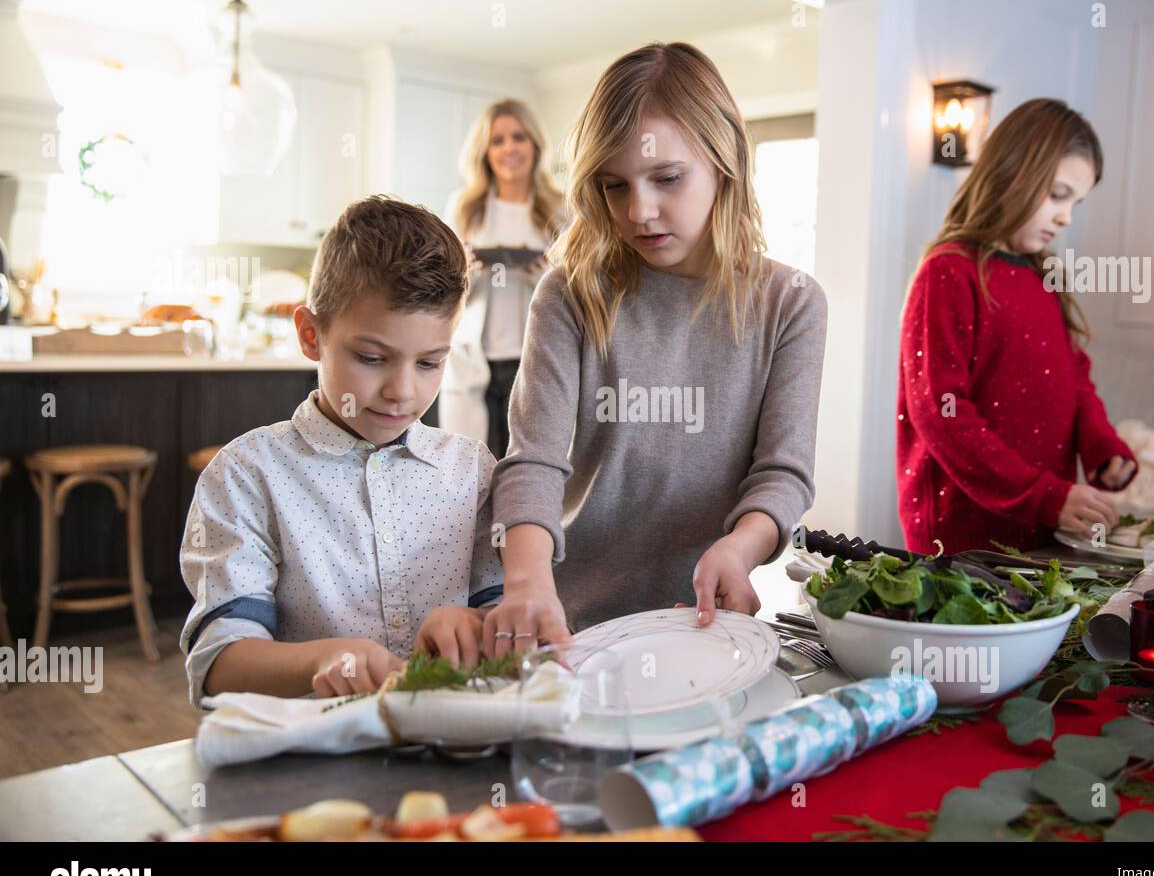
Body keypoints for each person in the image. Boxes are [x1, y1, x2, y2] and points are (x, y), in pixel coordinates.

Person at [483, 42, 829, 657]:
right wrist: (529, 581)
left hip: (706, 624)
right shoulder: (570, 293)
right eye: (615, 186)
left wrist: (741, 548)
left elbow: (782, 473)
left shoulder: (791, 302)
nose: (639, 212)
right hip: (575, 624)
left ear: (724, 160)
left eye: (667, 178)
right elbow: (533, 461)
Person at [178, 196, 503, 706]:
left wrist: (473, 623)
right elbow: (220, 664)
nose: (402, 391)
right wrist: (323, 659)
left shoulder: (473, 471)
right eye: (372, 358)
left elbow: (509, 624)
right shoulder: (247, 475)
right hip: (310, 757)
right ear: (311, 334)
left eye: (428, 363)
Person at [896, 98, 1138, 556]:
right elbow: (941, 414)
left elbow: (1075, 381)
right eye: (1058, 194)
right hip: (965, 537)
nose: (1066, 216)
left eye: (1076, 202)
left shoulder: (1042, 276)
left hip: (1043, 528)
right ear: (1011, 173)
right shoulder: (949, 272)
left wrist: (1103, 447)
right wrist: (1044, 495)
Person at [440, 99, 566, 458]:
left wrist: (545, 275)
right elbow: (442, 285)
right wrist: (464, 270)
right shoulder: (464, 207)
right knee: (471, 467)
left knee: (527, 463)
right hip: (474, 357)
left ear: (535, 146)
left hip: (532, 356)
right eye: (498, 140)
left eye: (518, 137)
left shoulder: (560, 208)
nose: (509, 148)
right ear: (484, 151)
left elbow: (580, 285)